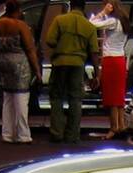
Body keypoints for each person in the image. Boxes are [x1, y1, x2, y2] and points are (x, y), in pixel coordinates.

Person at [0, 0, 39, 144]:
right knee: (21, 99)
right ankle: (23, 135)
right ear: (17, 10)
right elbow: (30, 49)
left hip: (2, 60)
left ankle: (7, 134)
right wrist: (37, 70)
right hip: (19, 63)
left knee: (7, 98)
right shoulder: (20, 25)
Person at [44, 0, 100, 144]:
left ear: (71, 5)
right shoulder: (89, 26)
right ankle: (72, 135)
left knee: (56, 98)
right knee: (75, 99)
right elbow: (94, 52)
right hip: (78, 65)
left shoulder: (60, 20)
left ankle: (57, 133)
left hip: (60, 63)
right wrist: (97, 74)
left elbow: (49, 40)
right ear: (83, 7)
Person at [90, 1, 132, 139]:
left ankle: (113, 128)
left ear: (112, 7)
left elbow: (91, 24)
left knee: (111, 97)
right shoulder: (123, 21)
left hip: (111, 60)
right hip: (120, 59)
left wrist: (103, 13)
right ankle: (121, 125)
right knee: (119, 97)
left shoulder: (113, 21)